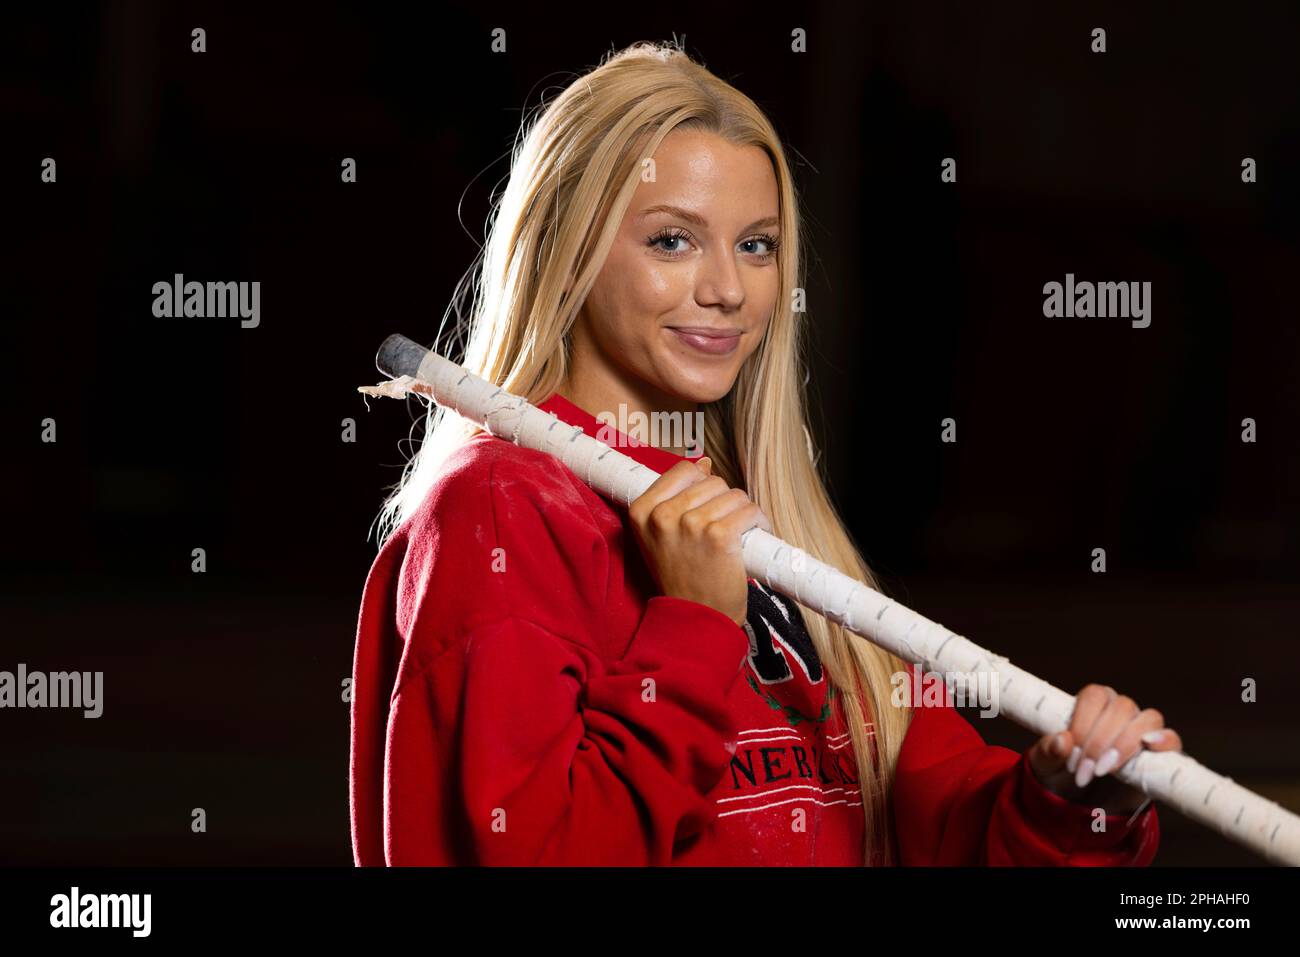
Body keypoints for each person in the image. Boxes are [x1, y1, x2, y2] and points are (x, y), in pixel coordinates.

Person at [349, 40, 1181, 866]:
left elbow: (927, 817)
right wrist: (697, 626)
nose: (731, 289)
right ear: (568, 251)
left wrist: (1065, 805)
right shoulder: (500, 506)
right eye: (672, 240)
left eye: (756, 244)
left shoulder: (757, 503)